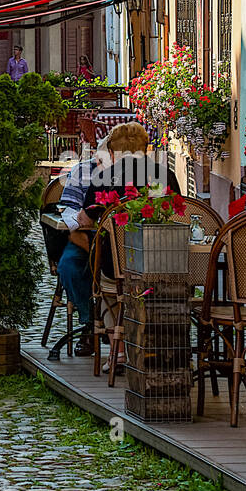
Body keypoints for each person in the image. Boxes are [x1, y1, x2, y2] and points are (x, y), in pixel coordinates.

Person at [57, 121, 179, 358]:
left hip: (117, 267)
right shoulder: (165, 175)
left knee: (106, 286)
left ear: (112, 152)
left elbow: (84, 220)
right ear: (145, 149)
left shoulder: (105, 178)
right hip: (161, 263)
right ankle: (156, 347)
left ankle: (119, 350)